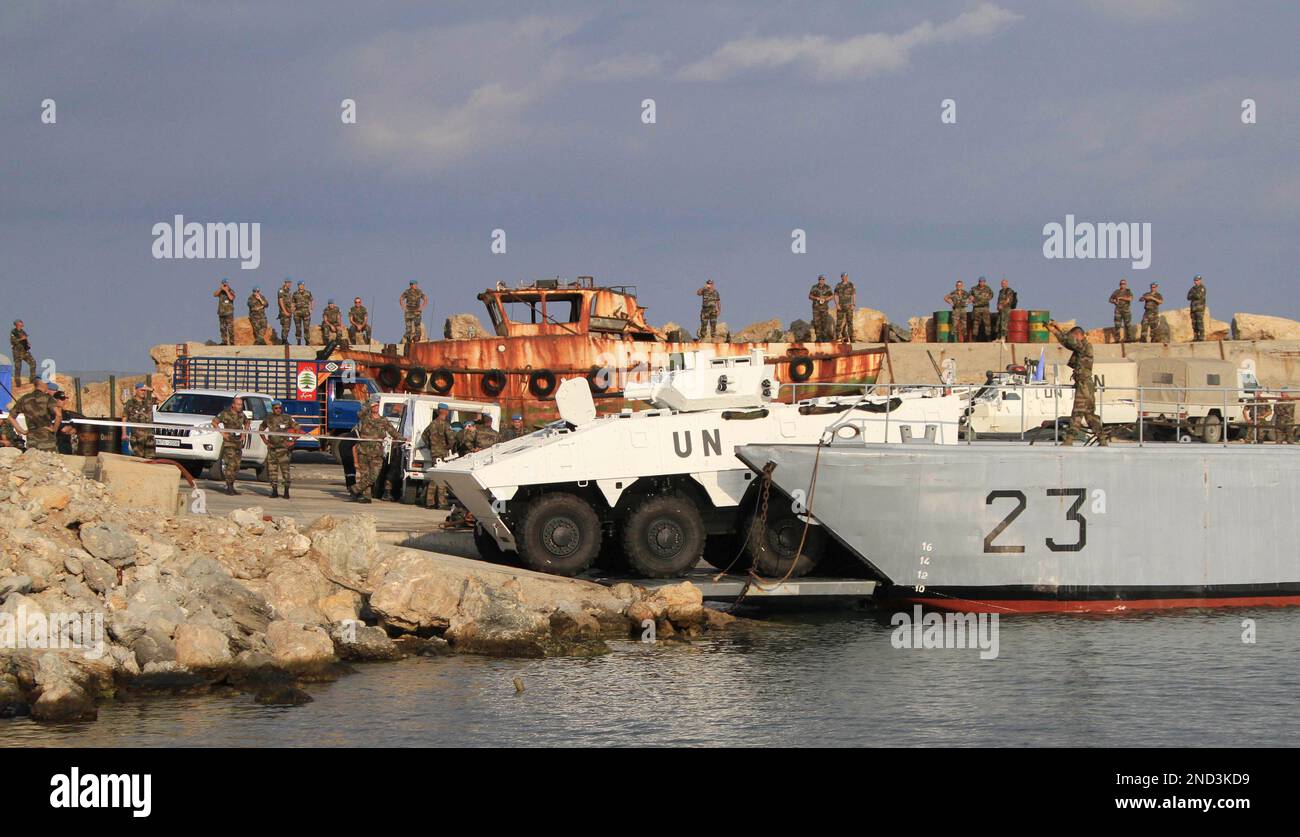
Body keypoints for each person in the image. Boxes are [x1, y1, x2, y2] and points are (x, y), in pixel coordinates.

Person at [1047, 321, 1106, 446]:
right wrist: (1058, 329)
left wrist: (1055, 331)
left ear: (1079, 335)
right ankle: (1102, 439)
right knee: (1089, 416)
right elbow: (1069, 341)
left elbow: (1068, 342)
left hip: (1084, 385)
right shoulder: (1083, 346)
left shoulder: (1084, 346)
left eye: (1074, 337)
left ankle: (1069, 439)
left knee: (1077, 412)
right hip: (1086, 385)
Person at [353, 401, 403, 503]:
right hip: (363, 451)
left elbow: (393, 432)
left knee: (374, 475)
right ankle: (366, 497)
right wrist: (368, 405)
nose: (375, 407)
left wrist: (402, 439)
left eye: (377, 405)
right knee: (364, 475)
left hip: (376, 453)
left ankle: (356, 488)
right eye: (373, 405)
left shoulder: (383, 420)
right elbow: (359, 414)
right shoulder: (365, 418)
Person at [260, 401, 301, 498]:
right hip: (272, 449)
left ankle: (286, 491)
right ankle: (274, 490)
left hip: (283, 449)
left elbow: (298, 428)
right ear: (272, 409)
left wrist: (293, 441)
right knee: (272, 470)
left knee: (285, 470)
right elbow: (261, 429)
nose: (278, 410)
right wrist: (265, 441)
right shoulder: (269, 418)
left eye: (279, 408)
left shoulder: (286, 418)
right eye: (276, 408)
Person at [419, 403, 455, 509]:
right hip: (442, 454)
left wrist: (431, 446)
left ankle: (430, 502)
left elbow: (424, 435)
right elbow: (451, 440)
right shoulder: (445, 425)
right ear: (445, 411)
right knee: (441, 478)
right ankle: (441, 502)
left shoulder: (432, 423)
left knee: (435, 477)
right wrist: (448, 447)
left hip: (434, 453)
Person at [10, 378, 62, 452]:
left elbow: (11, 417)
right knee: (49, 462)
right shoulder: (48, 398)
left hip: (32, 439)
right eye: (47, 385)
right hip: (47, 439)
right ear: (44, 385)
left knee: (33, 461)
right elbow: (59, 415)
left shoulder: (24, 399)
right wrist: (54, 429)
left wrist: (23, 431)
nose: (47, 387)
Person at [213, 396, 249, 495]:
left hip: (238, 442)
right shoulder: (225, 413)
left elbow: (247, 423)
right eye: (238, 404)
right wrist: (223, 433)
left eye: (241, 405)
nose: (240, 406)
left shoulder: (242, 414)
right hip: (229, 442)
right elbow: (214, 422)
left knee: (237, 465)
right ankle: (229, 486)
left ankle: (232, 485)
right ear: (233, 405)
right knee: (230, 464)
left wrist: (244, 434)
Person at [122, 382, 156, 459]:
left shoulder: (148, 402)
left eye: (144, 391)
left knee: (150, 459)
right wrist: (124, 433)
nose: (143, 392)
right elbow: (124, 418)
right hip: (137, 437)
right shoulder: (130, 403)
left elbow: (161, 398)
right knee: (138, 459)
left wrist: (151, 389)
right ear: (136, 390)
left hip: (149, 437)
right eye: (141, 390)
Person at [9, 320, 36, 386]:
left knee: (33, 363)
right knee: (18, 367)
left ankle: (32, 381)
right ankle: (18, 384)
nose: (22, 325)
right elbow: (13, 341)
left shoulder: (23, 331)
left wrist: (28, 343)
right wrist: (21, 339)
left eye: (22, 324)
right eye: (21, 324)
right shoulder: (14, 332)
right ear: (17, 325)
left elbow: (25, 339)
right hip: (17, 352)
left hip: (24, 351)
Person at [400, 281, 427, 345]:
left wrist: (422, 307)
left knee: (417, 326)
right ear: (411, 285)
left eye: (415, 284)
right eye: (413, 284)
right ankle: (409, 341)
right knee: (408, 328)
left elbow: (425, 299)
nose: (414, 286)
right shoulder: (407, 291)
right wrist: (403, 307)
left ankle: (417, 340)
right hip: (409, 311)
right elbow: (401, 299)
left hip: (417, 311)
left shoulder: (419, 291)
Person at [809, 275, 835, 342]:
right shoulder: (814, 287)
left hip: (824, 308)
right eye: (820, 279)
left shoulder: (827, 287)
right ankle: (818, 337)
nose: (821, 281)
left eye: (823, 279)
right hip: (816, 308)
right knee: (816, 323)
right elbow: (810, 296)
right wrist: (816, 298)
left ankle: (824, 337)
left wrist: (826, 299)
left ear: (824, 280)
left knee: (824, 322)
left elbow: (832, 296)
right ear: (818, 280)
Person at [969, 276, 993, 342]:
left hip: (985, 308)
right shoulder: (974, 289)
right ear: (978, 282)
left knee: (987, 324)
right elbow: (969, 296)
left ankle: (988, 338)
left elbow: (991, 295)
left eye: (983, 281)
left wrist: (985, 300)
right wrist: (971, 298)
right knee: (975, 324)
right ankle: (974, 339)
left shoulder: (988, 289)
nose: (981, 283)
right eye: (980, 281)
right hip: (977, 308)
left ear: (985, 282)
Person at [1109, 279, 1134, 343]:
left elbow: (1130, 299)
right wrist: (1114, 301)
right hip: (1118, 310)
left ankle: (1129, 338)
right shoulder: (1116, 292)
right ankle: (1117, 339)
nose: (1122, 285)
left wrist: (1121, 298)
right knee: (1117, 325)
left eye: (1123, 284)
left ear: (1126, 285)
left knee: (1127, 325)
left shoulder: (1128, 291)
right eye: (1121, 284)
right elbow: (1110, 299)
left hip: (1126, 310)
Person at [834, 273, 856, 343]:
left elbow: (854, 295)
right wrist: (837, 304)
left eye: (846, 276)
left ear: (847, 277)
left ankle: (851, 337)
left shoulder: (851, 285)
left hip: (849, 306)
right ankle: (837, 336)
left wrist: (853, 304)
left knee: (850, 322)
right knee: (839, 322)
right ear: (841, 277)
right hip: (841, 306)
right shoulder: (838, 285)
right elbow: (835, 295)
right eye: (843, 276)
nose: (844, 277)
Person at [213, 279, 236, 345]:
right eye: (223, 283)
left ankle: (232, 342)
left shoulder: (231, 290)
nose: (224, 285)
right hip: (221, 312)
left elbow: (232, 298)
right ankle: (224, 342)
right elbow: (214, 294)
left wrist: (226, 290)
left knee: (230, 328)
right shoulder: (220, 291)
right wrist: (220, 289)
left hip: (229, 312)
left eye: (225, 283)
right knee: (222, 328)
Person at [1187, 275, 1208, 342]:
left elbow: (1199, 296)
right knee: (1194, 324)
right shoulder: (1192, 288)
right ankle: (1196, 337)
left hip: (1199, 308)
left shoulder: (1202, 288)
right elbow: (1188, 297)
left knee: (1200, 323)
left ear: (1200, 280)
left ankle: (1201, 337)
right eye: (1195, 280)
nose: (1196, 281)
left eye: (1197, 280)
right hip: (1193, 308)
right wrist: (1194, 295)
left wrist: (1193, 295)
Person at [277, 278, 294, 344]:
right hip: (284, 311)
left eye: (290, 282)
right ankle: (284, 340)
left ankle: (285, 339)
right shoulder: (281, 290)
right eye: (288, 282)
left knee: (288, 326)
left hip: (289, 311)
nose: (289, 284)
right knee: (285, 326)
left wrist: (292, 309)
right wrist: (285, 311)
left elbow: (290, 302)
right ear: (284, 283)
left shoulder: (288, 291)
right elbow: (280, 301)